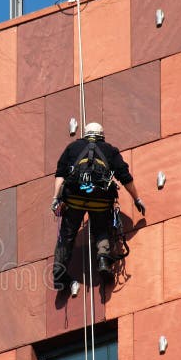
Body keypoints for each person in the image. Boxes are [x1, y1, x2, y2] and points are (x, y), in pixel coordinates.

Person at [51, 122, 145, 289]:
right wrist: (137, 199)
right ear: (102, 135)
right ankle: (103, 260)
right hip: (101, 200)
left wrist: (56, 198)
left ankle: (59, 267)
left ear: (86, 134)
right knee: (102, 229)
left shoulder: (72, 148)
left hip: (74, 198)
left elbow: (60, 174)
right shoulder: (110, 150)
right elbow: (125, 177)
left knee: (67, 233)